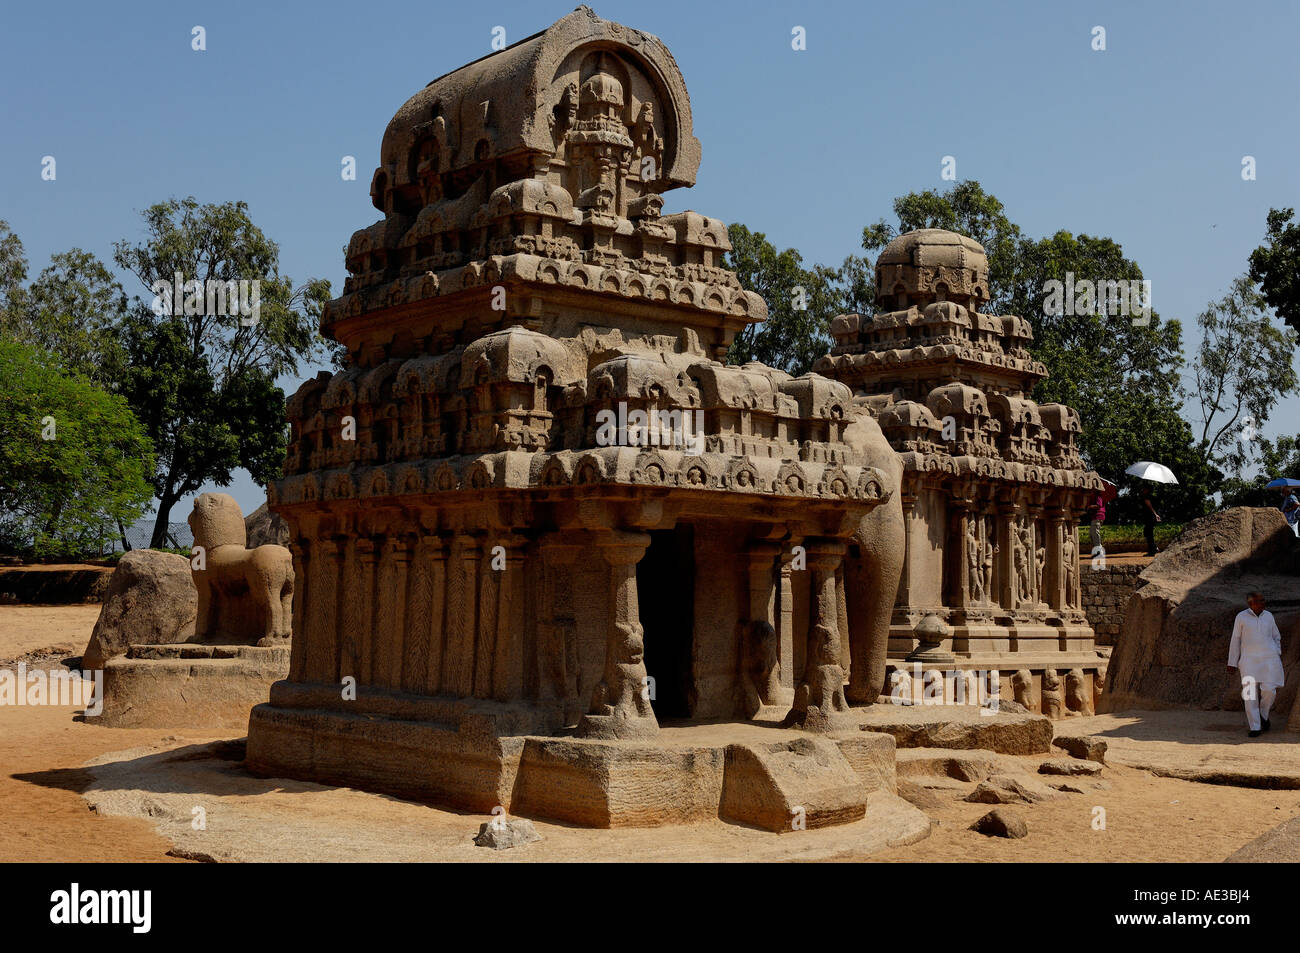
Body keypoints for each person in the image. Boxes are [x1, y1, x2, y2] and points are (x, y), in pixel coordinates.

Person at [1227, 592, 1285, 737]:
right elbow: (1236, 639)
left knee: (1270, 690)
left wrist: (1276, 650)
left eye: (1263, 600)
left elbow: (1276, 636)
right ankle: (1255, 727)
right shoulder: (1241, 617)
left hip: (1269, 660)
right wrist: (1232, 662)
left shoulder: (1269, 616)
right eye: (1260, 601)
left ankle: (1263, 715)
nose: (1263, 602)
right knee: (1250, 693)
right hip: (1249, 661)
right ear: (1250, 603)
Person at [1140, 486, 1160, 557]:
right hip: (1150, 518)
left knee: (1149, 534)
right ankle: (1154, 548)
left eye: (1144, 488)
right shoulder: (1152, 496)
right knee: (1148, 533)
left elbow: (1150, 506)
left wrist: (1155, 514)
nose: (1142, 489)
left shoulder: (1147, 497)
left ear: (1147, 490)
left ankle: (1152, 551)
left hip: (1149, 517)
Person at [1085, 491, 1106, 555]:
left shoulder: (1098, 495)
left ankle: (1099, 550)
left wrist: (1090, 506)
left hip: (1098, 516)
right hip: (1095, 517)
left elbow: (1099, 505)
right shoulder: (1094, 496)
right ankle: (1097, 550)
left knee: (1095, 533)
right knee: (1092, 533)